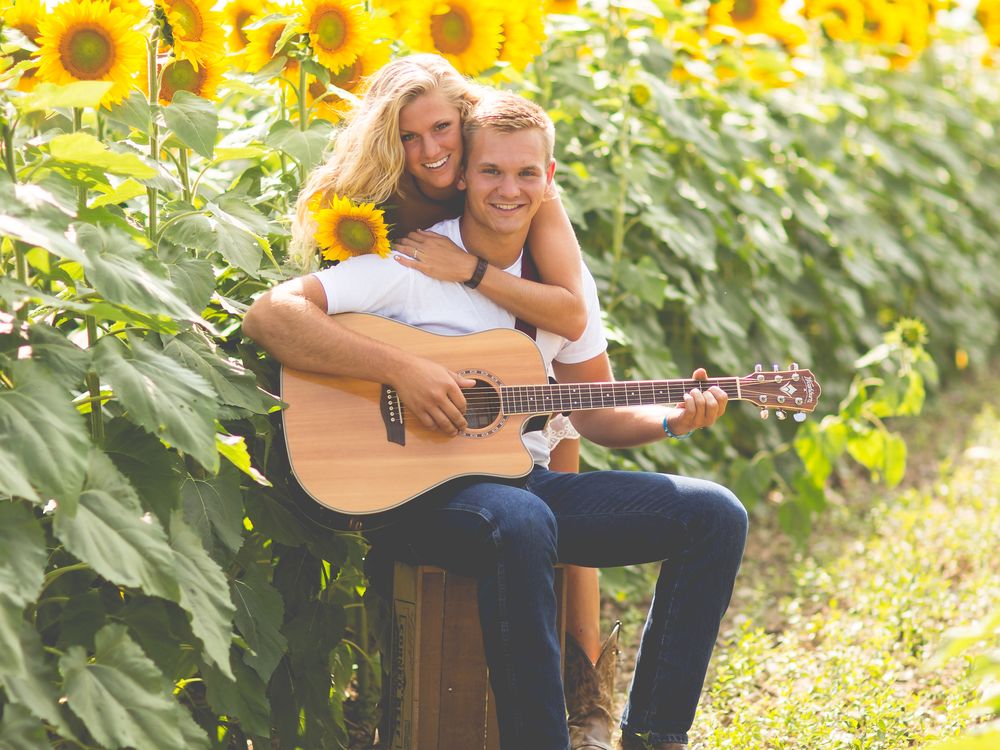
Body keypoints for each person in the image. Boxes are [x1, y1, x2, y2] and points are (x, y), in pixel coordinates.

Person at [244, 89, 748, 750]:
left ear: (549, 180)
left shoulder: (560, 287)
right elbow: (269, 315)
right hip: (418, 500)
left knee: (715, 514)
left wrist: (675, 421)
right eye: (490, 172)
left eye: (525, 174)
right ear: (464, 175)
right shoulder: (415, 261)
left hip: (522, 489)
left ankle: (655, 735)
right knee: (521, 518)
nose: (508, 190)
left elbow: (595, 413)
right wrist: (403, 371)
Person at [289, 53, 618, 747]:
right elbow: (320, 313)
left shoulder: (521, 188)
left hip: (521, 372)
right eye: (409, 137)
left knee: (558, 456)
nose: (431, 150)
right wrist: (403, 372)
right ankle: (390, 682)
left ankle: (587, 685)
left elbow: (567, 311)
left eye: (442, 129)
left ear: (465, 130)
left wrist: (471, 268)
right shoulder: (372, 209)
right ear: (387, 143)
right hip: (402, 404)